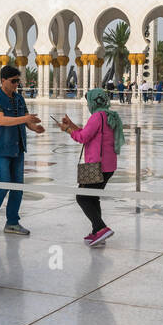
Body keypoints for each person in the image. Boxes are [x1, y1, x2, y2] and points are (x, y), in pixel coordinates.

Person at [59, 88, 124, 247]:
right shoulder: (108, 115)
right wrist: (72, 125)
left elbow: (82, 137)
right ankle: (97, 231)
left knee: (82, 197)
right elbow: (88, 133)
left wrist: (67, 130)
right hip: (109, 166)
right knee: (93, 197)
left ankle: (101, 228)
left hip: (97, 165)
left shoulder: (97, 117)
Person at [0, 64, 44, 235]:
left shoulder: (19, 99)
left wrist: (34, 127)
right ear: (3, 80)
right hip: (1, 149)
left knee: (17, 186)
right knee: (3, 184)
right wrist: (25, 118)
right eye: (13, 81)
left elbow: (26, 122)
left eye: (18, 81)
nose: (16, 84)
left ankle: (12, 222)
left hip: (17, 148)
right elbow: (2, 121)